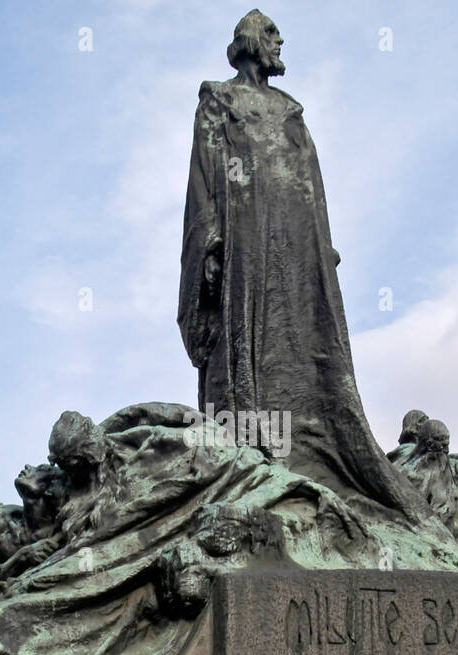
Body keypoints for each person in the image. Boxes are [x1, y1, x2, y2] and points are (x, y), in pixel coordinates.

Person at [177, 10, 424, 524]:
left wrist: (323, 248)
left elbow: (313, 184)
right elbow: (202, 181)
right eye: (271, 34)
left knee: (310, 345)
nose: (280, 41)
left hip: (296, 244)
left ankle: (315, 454)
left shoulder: (292, 110)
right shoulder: (218, 101)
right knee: (246, 345)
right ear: (249, 43)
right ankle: (254, 454)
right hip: (247, 239)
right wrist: (212, 243)